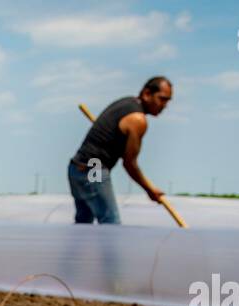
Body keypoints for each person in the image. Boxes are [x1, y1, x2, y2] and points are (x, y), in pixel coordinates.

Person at [68, 76, 173, 224]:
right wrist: (150, 190)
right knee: (111, 223)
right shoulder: (138, 120)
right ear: (147, 94)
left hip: (76, 169)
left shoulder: (126, 103)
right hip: (93, 169)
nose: (164, 105)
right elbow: (130, 164)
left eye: (168, 101)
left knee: (83, 224)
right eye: (162, 99)